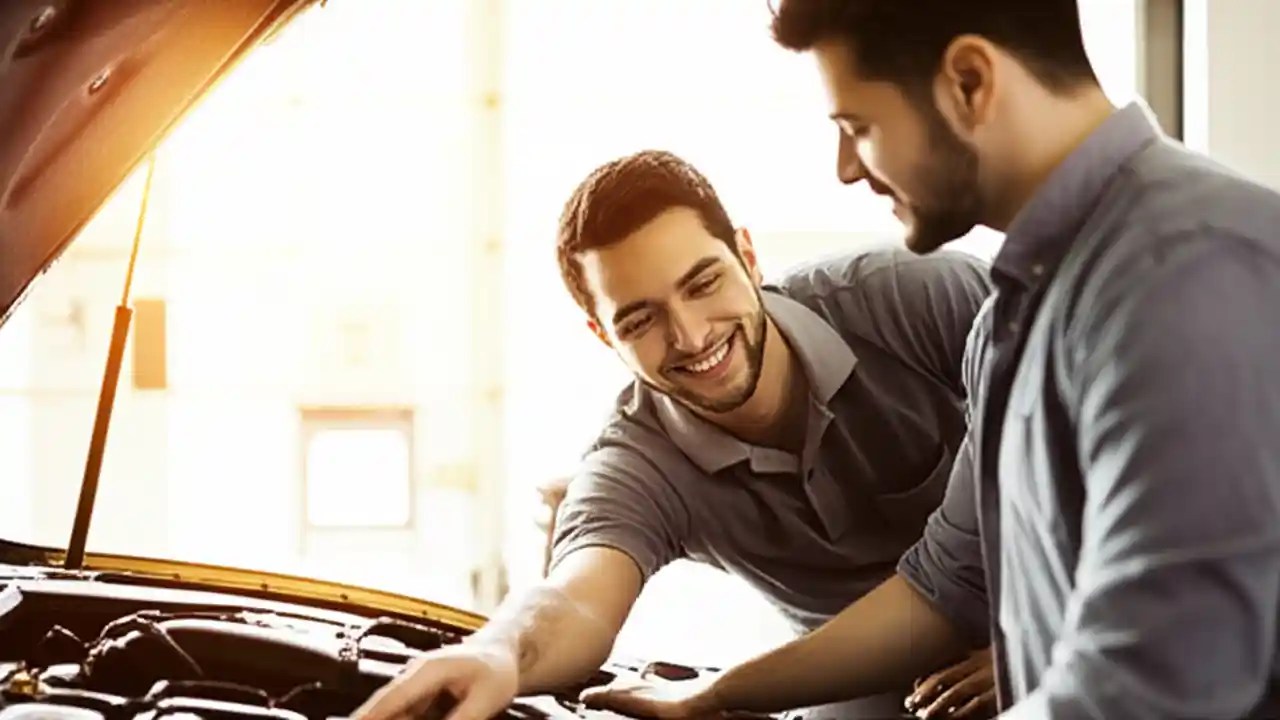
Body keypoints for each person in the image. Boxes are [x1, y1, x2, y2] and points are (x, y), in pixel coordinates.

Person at [572, 1, 1280, 719]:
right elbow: (951, 586)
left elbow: (1160, 679)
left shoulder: (1185, 274)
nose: (848, 168)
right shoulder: (1015, 315)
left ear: (970, 81)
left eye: (859, 128)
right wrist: (719, 694)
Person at [352, 149, 996, 720]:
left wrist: (1049, 629)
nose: (690, 336)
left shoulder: (915, 296)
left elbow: (1091, 417)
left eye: (703, 283)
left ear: (747, 255)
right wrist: (498, 652)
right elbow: (573, 600)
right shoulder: (633, 465)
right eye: (640, 320)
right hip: (877, 693)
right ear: (604, 336)